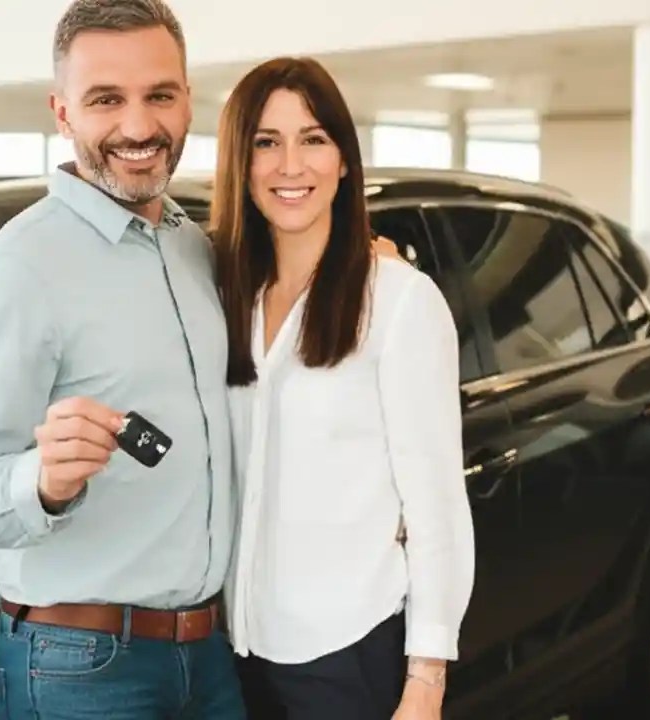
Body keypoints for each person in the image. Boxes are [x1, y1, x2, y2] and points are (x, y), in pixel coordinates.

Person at [0, 1, 246, 717]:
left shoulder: (195, 251)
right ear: (63, 112)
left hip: (210, 654)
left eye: (159, 94)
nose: (138, 127)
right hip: (82, 670)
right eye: (106, 99)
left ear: (188, 98)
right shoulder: (14, 268)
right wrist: (40, 482)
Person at [212, 57, 477, 720]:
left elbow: (437, 504)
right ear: (240, 165)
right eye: (266, 143)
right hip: (232, 654)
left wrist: (426, 678)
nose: (290, 166)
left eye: (313, 139)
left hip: (347, 653)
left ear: (344, 160)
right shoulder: (223, 297)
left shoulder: (399, 302)